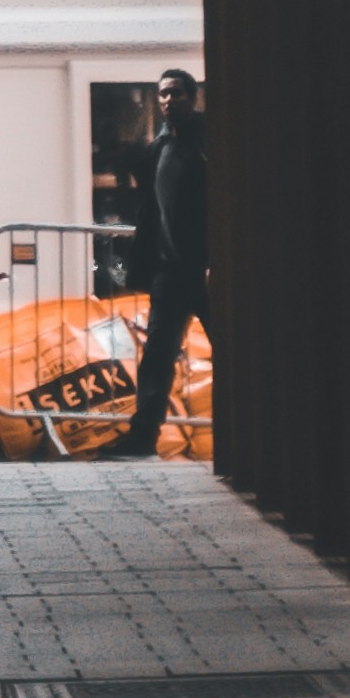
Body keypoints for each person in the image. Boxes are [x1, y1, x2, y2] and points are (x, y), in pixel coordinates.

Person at [103, 70, 206, 458]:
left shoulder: (205, 143)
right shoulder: (162, 146)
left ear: (192, 97)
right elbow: (152, 203)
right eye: (162, 94)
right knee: (157, 360)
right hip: (171, 272)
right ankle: (142, 439)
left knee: (227, 353)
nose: (167, 100)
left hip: (204, 269)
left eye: (175, 94)